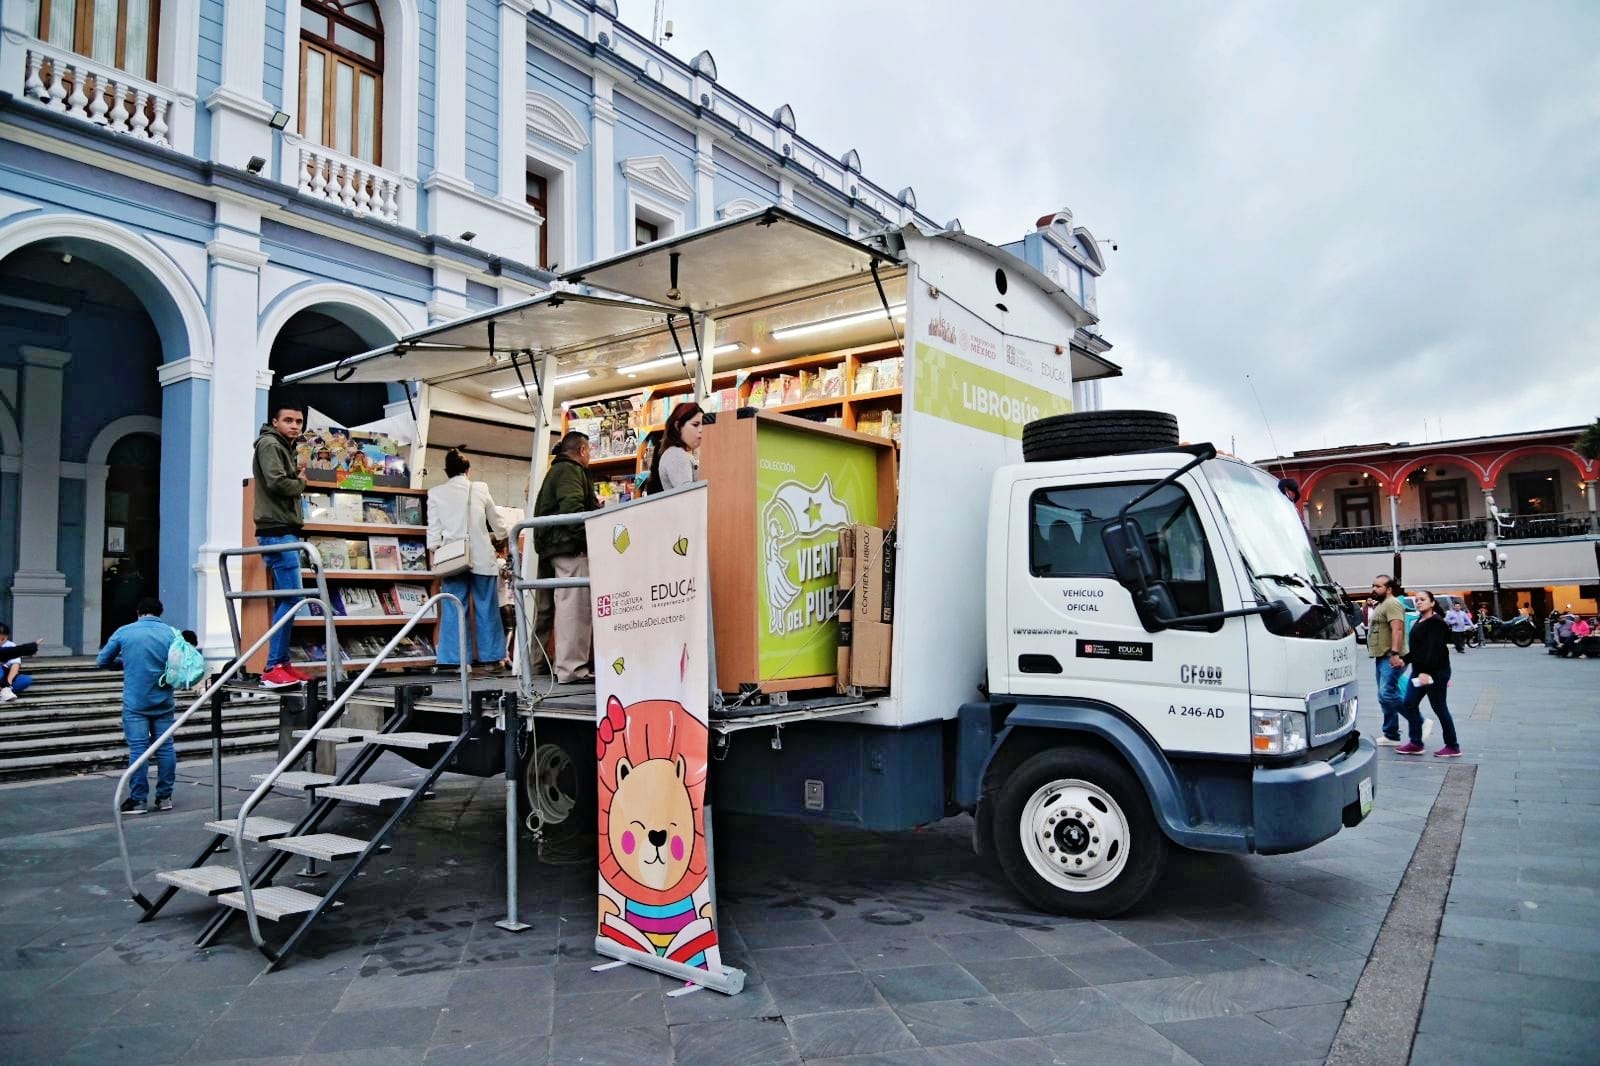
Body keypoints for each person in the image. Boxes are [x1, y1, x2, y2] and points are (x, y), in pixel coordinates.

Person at [427, 449, 510, 674]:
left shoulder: (435, 493)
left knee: (454, 607)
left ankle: (455, 661)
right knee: (486, 607)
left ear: (446, 472)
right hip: (482, 556)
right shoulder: (480, 488)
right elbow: (498, 524)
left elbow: (433, 533)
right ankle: (491, 659)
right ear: (468, 470)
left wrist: (436, 554)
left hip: (453, 558)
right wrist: (504, 536)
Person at [253, 402, 315, 690]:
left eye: (299, 421)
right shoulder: (270, 444)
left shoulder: (282, 446)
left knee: (287, 599)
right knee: (291, 598)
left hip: (283, 529)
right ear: (275, 422)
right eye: (288, 420)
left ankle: (282, 662)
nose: (295, 426)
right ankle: (272, 666)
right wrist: (300, 482)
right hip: (277, 531)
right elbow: (277, 483)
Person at [98, 596, 178, 813]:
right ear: (159, 613)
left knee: (138, 749)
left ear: (138, 612)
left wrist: (124, 663)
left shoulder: (125, 631)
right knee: (166, 748)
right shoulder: (172, 633)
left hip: (135, 701)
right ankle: (165, 798)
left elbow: (102, 660)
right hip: (164, 699)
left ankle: (138, 799)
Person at [534, 431, 599, 683]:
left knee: (547, 610)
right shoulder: (571, 471)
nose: (590, 456)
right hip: (568, 548)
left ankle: (538, 664)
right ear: (582, 450)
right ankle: (572, 669)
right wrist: (589, 537)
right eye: (589, 451)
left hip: (550, 547)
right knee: (575, 608)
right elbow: (572, 510)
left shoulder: (555, 471)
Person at [1397, 590, 1462, 758]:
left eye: (1423, 599)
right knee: (1409, 703)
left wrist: (1427, 673)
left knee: (1440, 708)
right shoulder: (1420, 620)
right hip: (1419, 672)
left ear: (1432, 603)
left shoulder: (1436, 623)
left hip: (1434, 672)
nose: (1418, 602)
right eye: (1417, 600)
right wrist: (1405, 659)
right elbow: (1419, 648)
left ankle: (1453, 746)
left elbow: (1435, 650)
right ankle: (1416, 743)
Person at [1367, 575, 1409, 746]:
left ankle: (1419, 721)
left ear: (1389, 589)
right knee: (1384, 696)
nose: (1374, 589)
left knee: (1387, 694)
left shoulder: (1392, 603)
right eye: (1373, 585)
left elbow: (1397, 630)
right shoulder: (1382, 604)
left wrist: (1395, 654)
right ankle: (1391, 734)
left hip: (1390, 656)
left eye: (1378, 586)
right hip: (1382, 656)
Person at [646, 402, 705, 494]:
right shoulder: (676, 455)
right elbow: (688, 495)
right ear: (678, 426)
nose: (701, 430)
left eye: (703, 425)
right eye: (695, 424)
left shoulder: (676, 453)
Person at [0, 623, 39, 703]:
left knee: (25, 680)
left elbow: (15, 664)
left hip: (7, 675)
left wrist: (8, 683)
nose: (0, 641)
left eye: (3, 639)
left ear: (7, 637)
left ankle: (5, 690)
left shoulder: (11, 645)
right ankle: (4, 691)